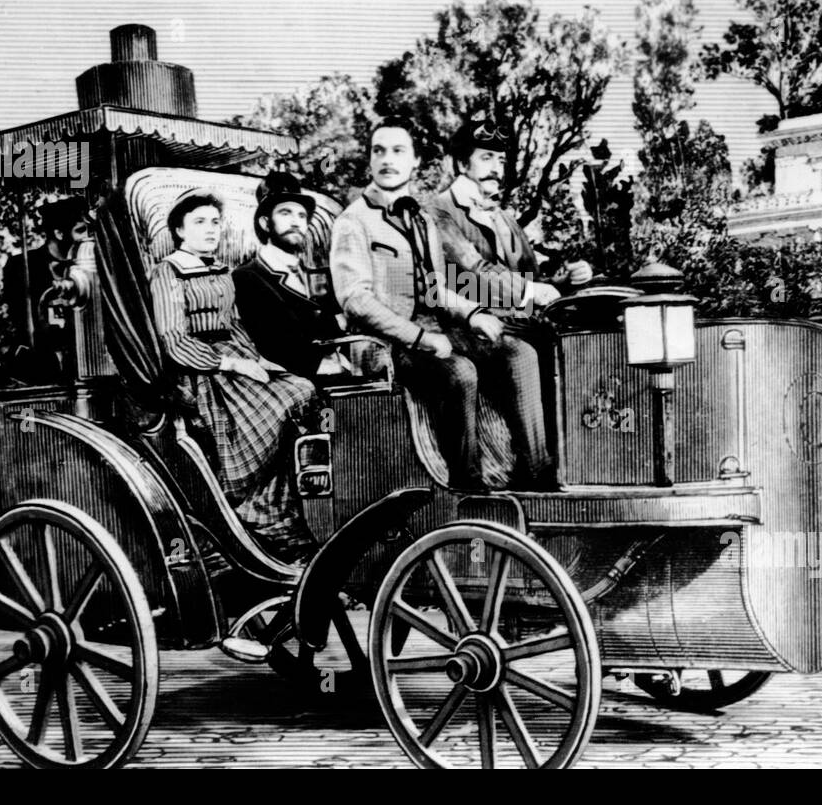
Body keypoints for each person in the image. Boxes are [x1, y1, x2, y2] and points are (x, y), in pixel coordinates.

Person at [329, 116, 554, 490]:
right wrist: (420, 337)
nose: (388, 159)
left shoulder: (421, 219)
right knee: (459, 372)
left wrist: (475, 312)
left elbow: (435, 289)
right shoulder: (353, 221)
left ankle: (538, 477)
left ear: (415, 161)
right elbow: (356, 302)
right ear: (369, 161)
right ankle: (469, 486)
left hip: (436, 331)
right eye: (379, 151)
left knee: (518, 353)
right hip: (388, 345)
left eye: (398, 151)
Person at [149, 188, 317, 551]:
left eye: (215, 222)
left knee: (303, 390)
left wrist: (256, 360)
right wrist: (232, 363)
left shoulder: (220, 269)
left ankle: (275, 511)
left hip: (235, 357)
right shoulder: (168, 272)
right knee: (289, 401)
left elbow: (235, 325)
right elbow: (174, 341)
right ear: (179, 230)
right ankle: (242, 498)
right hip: (201, 371)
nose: (211, 230)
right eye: (199, 223)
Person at [429, 117, 593, 325]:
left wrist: (566, 281)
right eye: (487, 158)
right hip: (468, 325)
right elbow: (474, 268)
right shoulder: (438, 210)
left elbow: (530, 278)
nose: (497, 169)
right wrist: (530, 291)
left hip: (518, 322)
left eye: (501, 161)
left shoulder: (503, 217)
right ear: (462, 164)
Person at [233, 172, 345, 379]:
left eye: (302, 216)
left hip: (337, 370)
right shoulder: (247, 277)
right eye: (285, 213)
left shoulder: (315, 275)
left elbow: (338, 327)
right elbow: (275, 342)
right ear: (265, 223)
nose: (296, 222)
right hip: (291, 379)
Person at [4, 197, 91, 383]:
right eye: (80, 230)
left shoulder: (91, 266)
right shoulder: (22, 267)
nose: (87, 237)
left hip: (86, 362)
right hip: (37, 368)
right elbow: (23, 321)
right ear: (59, 233)